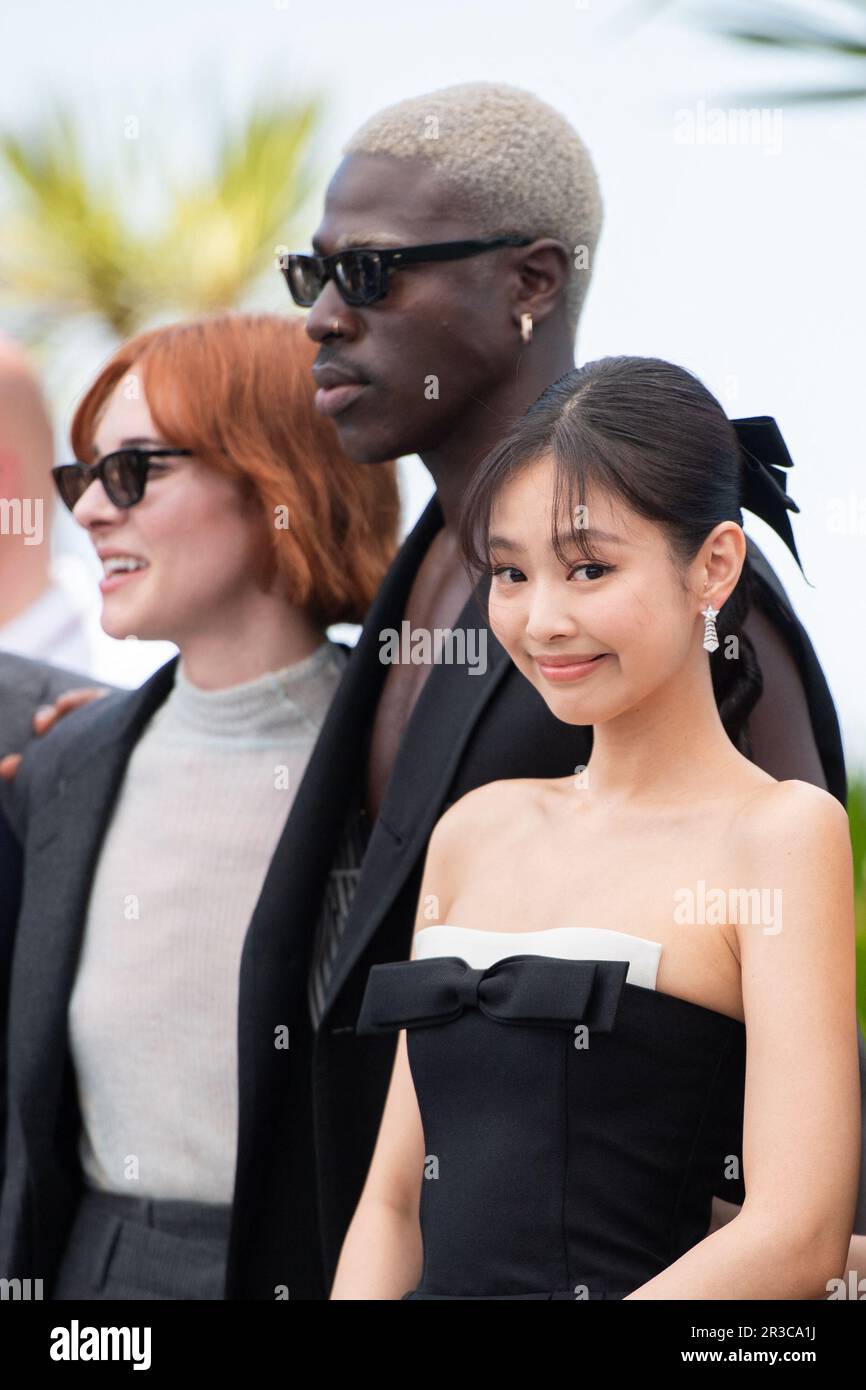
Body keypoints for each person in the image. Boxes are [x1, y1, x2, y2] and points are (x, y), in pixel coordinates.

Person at [13, 81, 865, 1298]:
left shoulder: (722, 652)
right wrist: (115, 737)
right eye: (309, 277)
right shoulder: (416, 595)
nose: (319, 319)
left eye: (367, 274)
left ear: (528, 282)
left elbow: (780, 1062)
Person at [334, 355, 860, 1299]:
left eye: (589, 568)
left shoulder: (779, 836)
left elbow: (798, 1234)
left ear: (714, 564)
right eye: (509, 572)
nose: (543, 620)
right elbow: (392, 1204)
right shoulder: (473, 830)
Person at [0, 312, 399, 1299]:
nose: (90, 510)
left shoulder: (402, 765)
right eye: (82, 476)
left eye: (135, 471)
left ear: (277, 479)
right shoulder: (68, 762)